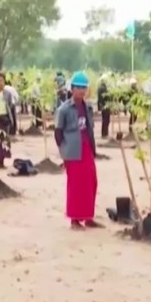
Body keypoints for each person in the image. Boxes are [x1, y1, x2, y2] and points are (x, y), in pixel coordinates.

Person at [54, 71, 100, 230]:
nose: (81, 90)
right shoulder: (64, 109)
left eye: (84, 87)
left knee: (91, 183)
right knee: (75, 186)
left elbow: (89, 128)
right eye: (78, 87)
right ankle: (74, 219)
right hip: (72, 151)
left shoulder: (87, 107)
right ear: (72, 89)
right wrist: (63, 152)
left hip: (86, 148)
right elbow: (58, 133)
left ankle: (88, 217)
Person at [97, 74, 110, 139]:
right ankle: (105, 133)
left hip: (103, 105)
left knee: (104, 120)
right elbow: (105, 97)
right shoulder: (104, 88)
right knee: (106, 120)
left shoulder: (100, 87)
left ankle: (104, 133)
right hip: (105, 105)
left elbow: (99, 99)